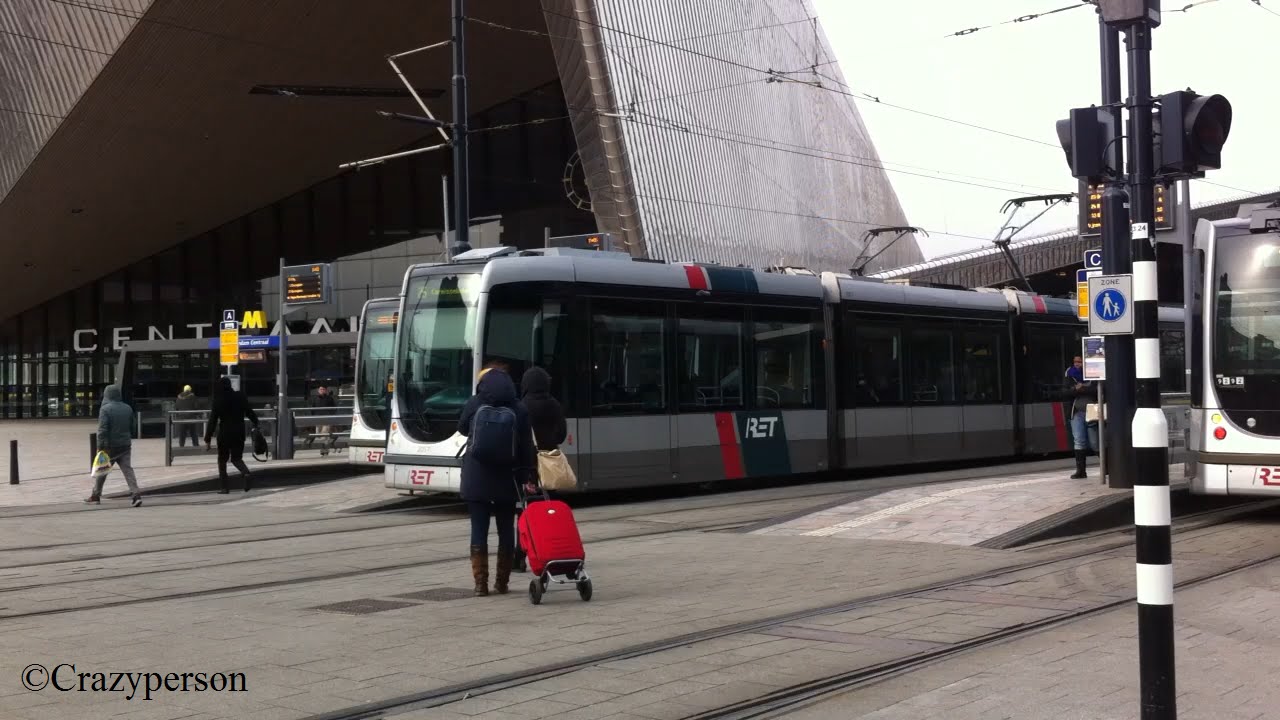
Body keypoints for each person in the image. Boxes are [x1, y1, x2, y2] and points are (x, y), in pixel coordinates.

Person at [457, 360, 537, 596]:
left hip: (476, 474)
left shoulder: (475, 402)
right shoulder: (518, 407)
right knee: (506, 528)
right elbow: (526, 446)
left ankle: (480, 584)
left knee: (478, 528)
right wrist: (528, 475)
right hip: (507, 475)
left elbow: (462, 428)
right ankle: (502, 582)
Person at [515, 366, 568, 572]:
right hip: (549, 467)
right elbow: (561, 434)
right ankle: (553, 550)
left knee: (526, 512)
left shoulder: (521, 406)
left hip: (528, 467)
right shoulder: (554, 404)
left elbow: (517, 438)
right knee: (550, 510)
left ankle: (519, 557)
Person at [85, 385, 143, 507]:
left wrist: (100, 446)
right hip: (125, 445)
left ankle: (96, 495)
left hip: (109, 446)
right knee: (128, 470)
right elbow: (133, 426)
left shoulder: (105, 409)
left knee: (102, 470)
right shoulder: (127, 408)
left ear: (107, 395)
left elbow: (102, 430)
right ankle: (136, 494)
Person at [204, 377, 260, 493]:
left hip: (224, 434)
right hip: (239, 433)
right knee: (237, 458)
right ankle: (246, 473)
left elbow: (212, 420)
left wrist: (207, 439)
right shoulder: (240, 396)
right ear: (230, 385)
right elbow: (249, 412)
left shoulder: (218, 400)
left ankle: (224, 487)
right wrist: (256, 423)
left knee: (222, 460)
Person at [1065, 356, 1098, 479]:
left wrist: (1081, 388)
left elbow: (1097, 390)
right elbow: (1067, 392)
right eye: (1075, 362)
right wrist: (1076, 389)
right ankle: (1081, 471)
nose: (1077, 364)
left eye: (1080, 362)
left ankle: (1107, 466)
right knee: (1079, 440)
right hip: (1076, 412)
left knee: (1095, 442)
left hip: (1092, 412)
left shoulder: (1094, 373)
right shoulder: (1069, 374)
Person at [309, 385, 337, 455]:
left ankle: (325, 450)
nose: (322, 390)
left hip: (327, 419)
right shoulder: (315, 399)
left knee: (325, 434)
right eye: (320, 389)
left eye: (323, 389)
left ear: (326, 390)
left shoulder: (329, 398)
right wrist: (313, 417)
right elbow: (312, 408)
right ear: (318, 391)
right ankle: (322, 449)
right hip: (318, 419)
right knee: (318, 434)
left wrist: (330, 416)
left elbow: (334, 408)